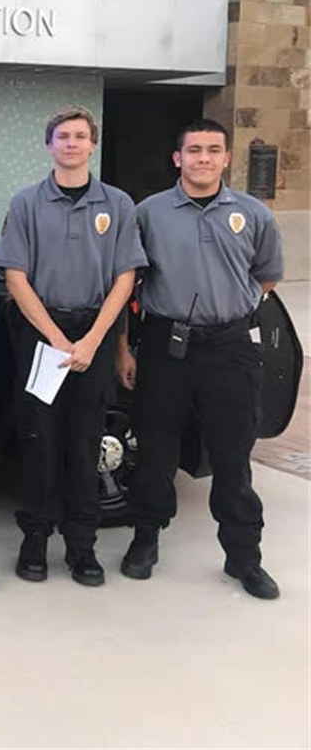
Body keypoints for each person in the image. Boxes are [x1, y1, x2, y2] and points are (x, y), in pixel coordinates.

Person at [117, 119, 283, 600]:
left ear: (227, 158)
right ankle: (145, 541)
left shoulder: (253, 214)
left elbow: (266, 277)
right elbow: (130, 285)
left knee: (233, 456)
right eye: (194, 151)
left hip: (230, 348)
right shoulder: (149, 213)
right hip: (168, 345)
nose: (203, 159)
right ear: (178, 158)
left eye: (213, 150)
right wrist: (125, 348)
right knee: (154, 451)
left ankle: (244, 557)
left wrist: (231, 308)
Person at [0, 106, 147, 586]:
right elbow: (15, 277)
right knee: (40, 441)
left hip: (94, 336)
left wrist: (96, 338)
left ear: (92, 144)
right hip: (43, 335)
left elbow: (126, 277)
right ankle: (36, 538)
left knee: (84, 445)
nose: (72, 144)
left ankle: (82, 547)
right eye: (63, 136)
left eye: (81, 136)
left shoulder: (118, 204)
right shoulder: (26, 203)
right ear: (49, 145)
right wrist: (59, 340)